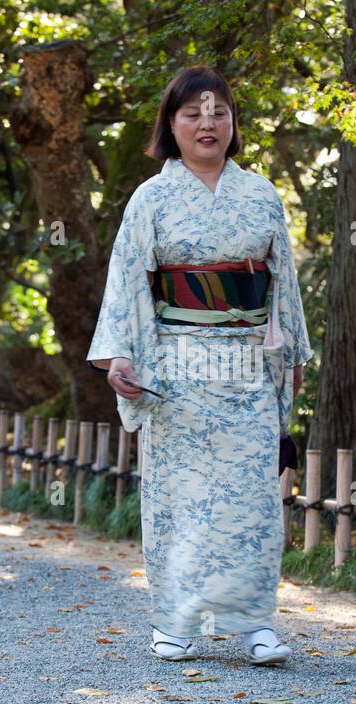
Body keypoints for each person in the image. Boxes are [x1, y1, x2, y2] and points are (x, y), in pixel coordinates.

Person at [88, 65, 312, 665]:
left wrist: (289, 361)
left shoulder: (261, 195)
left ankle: (254, 622)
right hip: (175, 366)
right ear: (171, 124)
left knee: (251, 500)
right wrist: (123, 361)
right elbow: (127, 285)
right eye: (193, 113)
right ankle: (175, 620)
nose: (207, 123)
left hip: (246, 366)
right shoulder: (151, 199)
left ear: (234, 123)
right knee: (180, 500)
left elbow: (282, 289)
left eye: (219, 112)